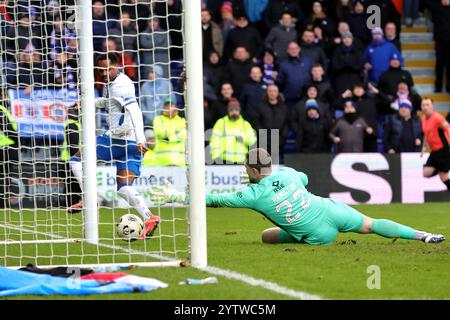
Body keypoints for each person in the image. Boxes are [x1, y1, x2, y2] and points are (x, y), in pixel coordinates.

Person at [150, 148, 445, 245]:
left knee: (267, 236)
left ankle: (301, 235)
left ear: (251, 170)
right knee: (371, 223)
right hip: (331, 209)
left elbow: (211, 199)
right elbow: (304, 180)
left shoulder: (250, 195)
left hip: (317, 234)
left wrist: (177, 195)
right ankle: (424, 236)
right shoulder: (287, 172)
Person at [68, 53, 160, 240]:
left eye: (108, 68)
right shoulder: (112, 83)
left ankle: (91, 198)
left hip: (119, 138)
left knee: (76, 159)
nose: (104, 72)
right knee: (124, 187)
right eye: (101, 69)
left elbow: (135, 110)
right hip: (132, 144)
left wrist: (142, 139)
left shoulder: (120, 85)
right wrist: (86, 103)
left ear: (117, 66)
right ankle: (150, 217)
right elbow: (109, 103)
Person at [209, 99, 257, 164]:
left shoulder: (245, 124)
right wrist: (215, 157)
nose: (234, 112)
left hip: (241, 161)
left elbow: (252, 141)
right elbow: (214, 141)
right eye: (231, 110)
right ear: (228, 111)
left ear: (239, 111)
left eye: (236, 110)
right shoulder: (221, 123)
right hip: (223, 160)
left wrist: (242, 138)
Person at [420, 98, 450, 191]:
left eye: (427, 105)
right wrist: (424, 146)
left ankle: (441, 168)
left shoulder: (438, 117)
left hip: (444, 150)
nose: (425, 107)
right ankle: (440, 168)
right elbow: (426, 133)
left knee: (443, 176)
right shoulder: (423, 118)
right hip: (435, 151)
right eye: (423, 105)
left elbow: (448, 129)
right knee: (426, 173)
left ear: (433, 106)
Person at [276, 41, 314, 108]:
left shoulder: (308, 61)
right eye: (291, 49)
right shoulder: (283, 64)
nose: (293, 50)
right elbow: (280, 81)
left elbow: (313, 76)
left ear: (299, 49)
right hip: (289, 100)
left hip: (305, 99)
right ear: (288, 50)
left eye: (295, 48)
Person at [152, 98, 186, 167]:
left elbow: (182, 135)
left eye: (171, 105)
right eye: (167, 106)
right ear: (164, 108)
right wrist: (174, 133)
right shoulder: (158, 119)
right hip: (162, 161)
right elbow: (159, 133)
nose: (169, 108)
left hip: (179, 161)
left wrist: (167, 136)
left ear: (175, 107)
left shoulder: (181, 120)